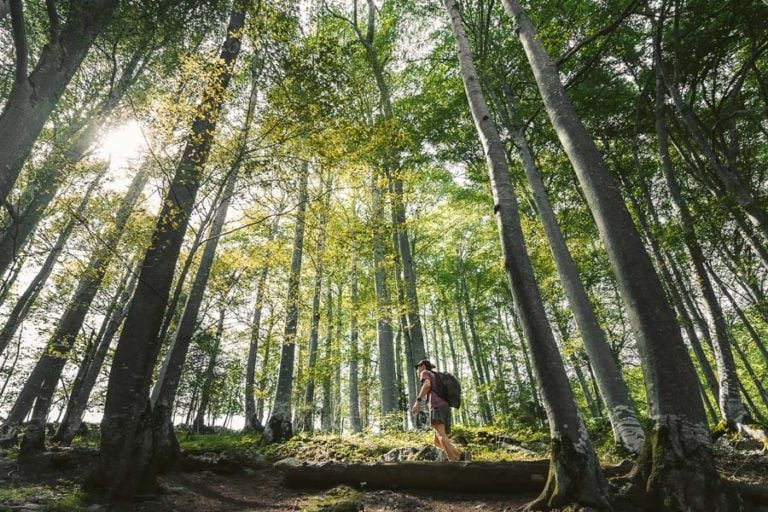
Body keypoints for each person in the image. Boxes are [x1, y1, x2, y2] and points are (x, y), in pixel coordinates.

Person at [411, 359, 461, 461]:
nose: (417, 370)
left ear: (423, 367)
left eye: (417, 368)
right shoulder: (435, 375)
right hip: (445, 407)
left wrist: (418, 401)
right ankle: (454, 455)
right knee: (437, 441)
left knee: (441, 435)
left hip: (437, 406)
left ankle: (456, 459)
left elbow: (427, 385)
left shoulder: (424, 373)